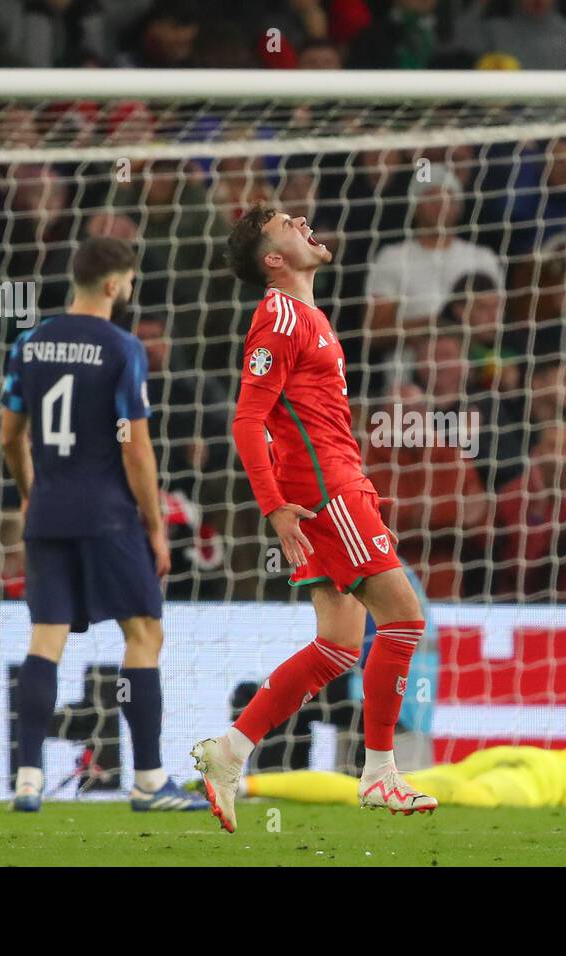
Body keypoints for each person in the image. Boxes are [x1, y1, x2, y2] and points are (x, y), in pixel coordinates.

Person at [192, 205, 437, 833]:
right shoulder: (277, 314)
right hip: (326, 493)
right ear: (273, 258)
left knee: (337, 647)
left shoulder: (309, 315)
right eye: (283, 222)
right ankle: (380, 775)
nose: (301, 219)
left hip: (335, 485)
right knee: (405, 620)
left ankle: (229, 753)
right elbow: (247, 419)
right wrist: (276, 508)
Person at [0, 236, 207, 813]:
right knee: (144, 634)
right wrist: (156, 527)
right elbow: (135, 448)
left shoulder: (29, 343)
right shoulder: (122, 347)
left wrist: (29, 494)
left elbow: (9, 436)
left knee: (46, 640)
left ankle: (27, 777)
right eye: (131, 280)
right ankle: (148, 781)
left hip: (47, 512)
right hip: (108, 515)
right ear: (115, 284)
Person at [238, 737, 566, 810]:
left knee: (381, 787)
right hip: (538, 782)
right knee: (472, 804)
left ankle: (249, 783)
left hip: (514, 755)